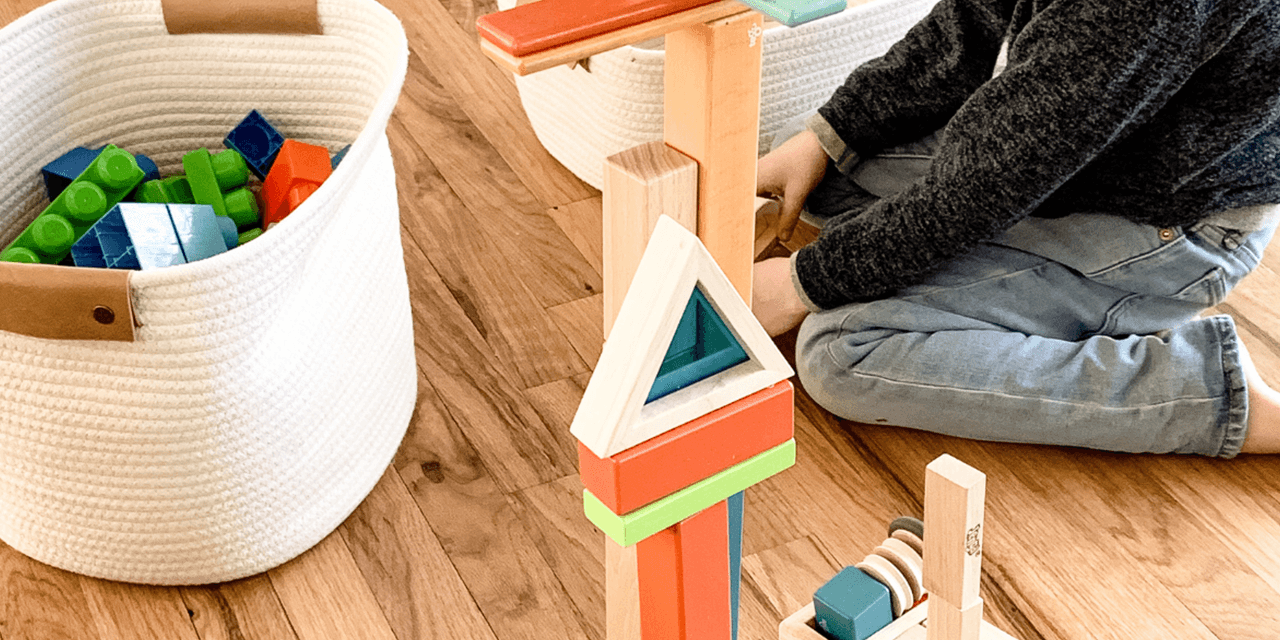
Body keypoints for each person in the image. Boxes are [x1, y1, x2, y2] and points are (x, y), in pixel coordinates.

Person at [751, 0, 1280, 457]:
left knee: (841, 353)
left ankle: (1209, 395)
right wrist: (829, 135)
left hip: (1170, 228)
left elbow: (986, 185)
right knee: (819, 153)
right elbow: (971, 23)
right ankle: (944, 265)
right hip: (1086, 161)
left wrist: (804, 284)